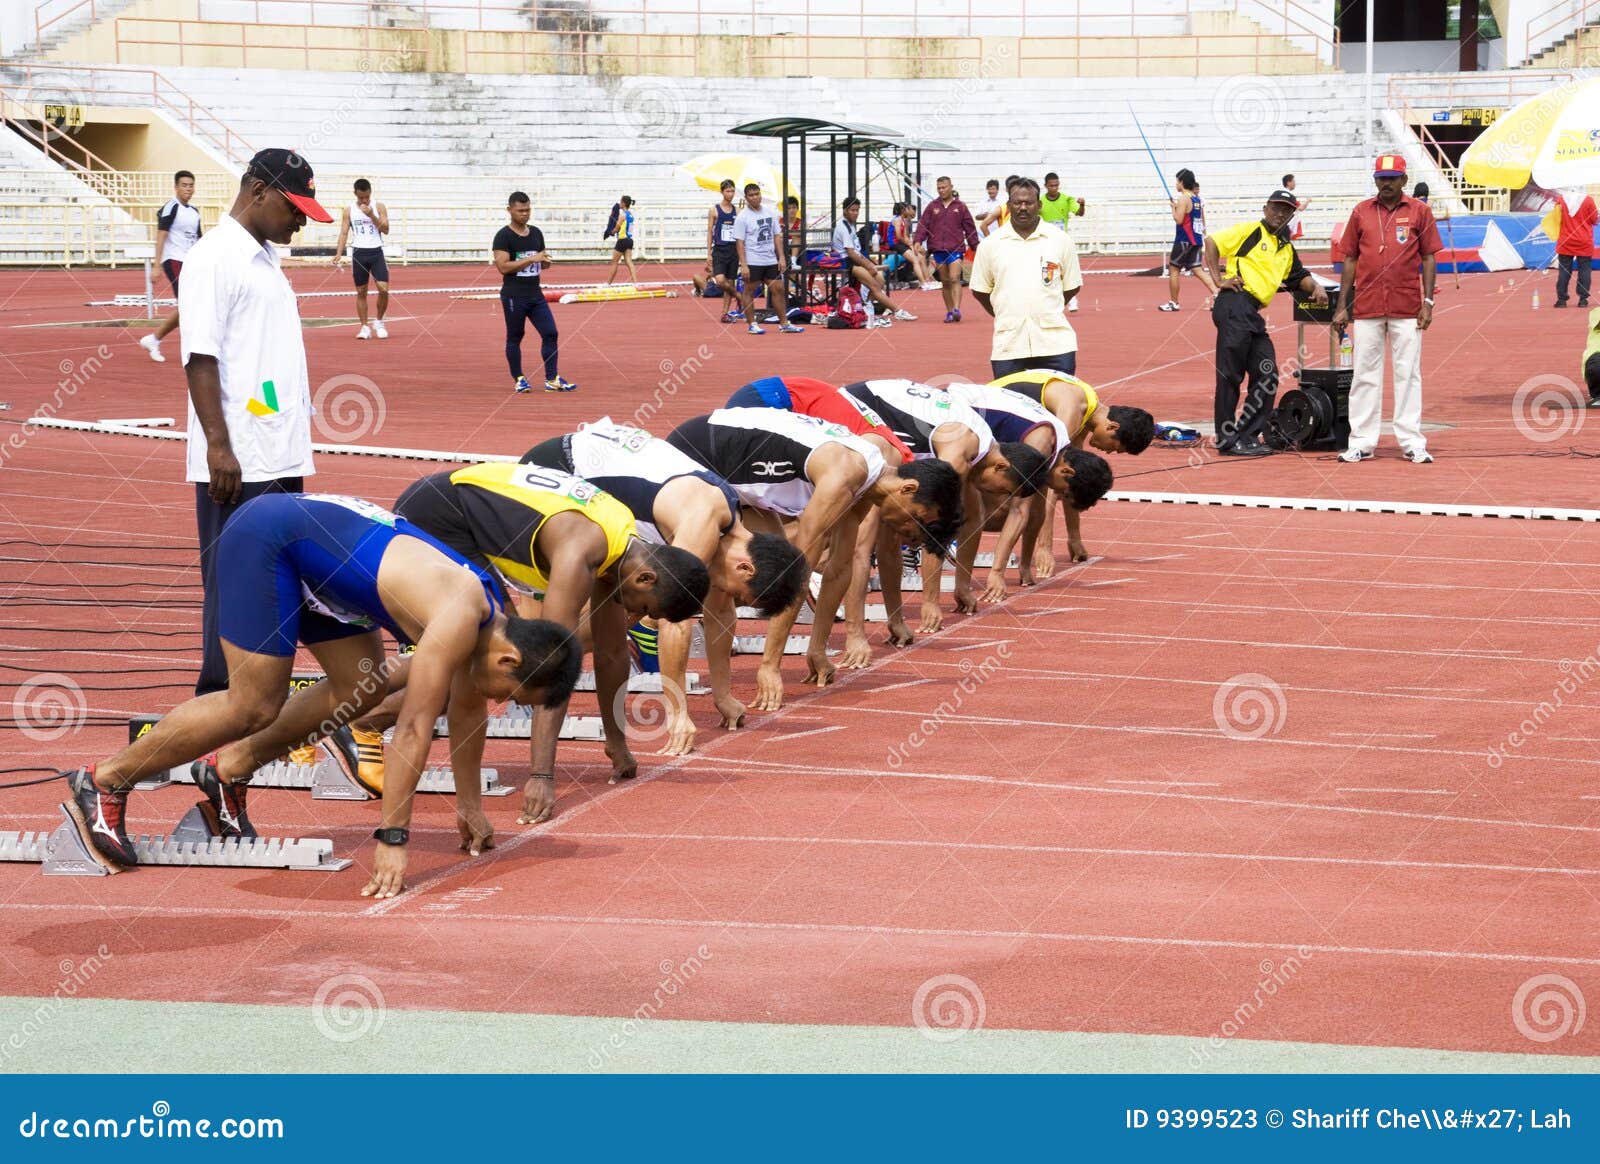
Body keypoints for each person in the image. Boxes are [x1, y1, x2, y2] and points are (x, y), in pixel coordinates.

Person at [59, 492, 582, 897]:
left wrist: (469, 807)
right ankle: (106, 780)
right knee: (254, 702)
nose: (502, 704)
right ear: (509, 661)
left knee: (362, 685)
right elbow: (414, 729)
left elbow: (468, 718)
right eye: (513, 698)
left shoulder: (492, 625)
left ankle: (229, 768)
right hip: (273, 540)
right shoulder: (459, 618)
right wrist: (393, 839)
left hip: (325, 570)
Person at [381, 463, 707, 824]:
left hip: (461, 514)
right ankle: (362, 720)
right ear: (646, 578)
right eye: (643, 608)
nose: (633, 617)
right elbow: (552, 661)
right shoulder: (581, 551)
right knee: (490, 658)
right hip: (437, 514)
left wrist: (617, 740)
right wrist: (540, 776)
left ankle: (365, 715)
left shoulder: (619, 543)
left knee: (491, 657)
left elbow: (612, 652)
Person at [522, 417, 810, 755]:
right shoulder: (703, 523)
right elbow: (674, 622)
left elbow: (720, 611)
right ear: (746, 568)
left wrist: (722, 694)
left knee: (617, 616)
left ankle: (535, 661)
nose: (730, 597)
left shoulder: (729, 526)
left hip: (590, 477)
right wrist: (677, 713)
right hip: (556, 470)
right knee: (571, 626)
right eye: (739, 593)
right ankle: (516, 665)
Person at [666, 407, 961, 714]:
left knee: (762, 569)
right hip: (702, 449)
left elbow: (840, 566)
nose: (910, 530)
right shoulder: (846, 473)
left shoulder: (866, 479)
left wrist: (817, 646)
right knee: (720, 579)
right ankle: (652, 634)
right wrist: (770, 666)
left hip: (745, 480)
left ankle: (718, 688)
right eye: (915, 517)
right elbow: (797, 568)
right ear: (908, 488)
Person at [174, 149, 327, 698]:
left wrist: (272, 411)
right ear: (258, 191)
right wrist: (219, 445)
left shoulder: (263, 257)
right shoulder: (214, 257)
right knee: (234, 583)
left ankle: (260, 696)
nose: (302, 221)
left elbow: (255, 364)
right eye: (295, 208)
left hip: (277, 450)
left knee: (279, 578)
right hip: (239, 460)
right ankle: (218, 700)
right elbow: (201, 357)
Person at [1331, 156, 1442, 465]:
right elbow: (1350, 259)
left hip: (1407, 305)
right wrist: (1343, 306)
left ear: (1404, 180)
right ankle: (1362, 442)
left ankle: (1411, 441)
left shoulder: (1420, 211)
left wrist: (1428, 302)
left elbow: (1430, 257)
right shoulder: (1361, 212)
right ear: (1375, 179)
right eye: (1382, 177)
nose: (1387, 183)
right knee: (1365, 374)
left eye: (1393, 177)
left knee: (1408, 373)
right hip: (1366, 306)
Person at [1204, 187, 1329, 457]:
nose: (1279, 213)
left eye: (1286, 210)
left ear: (1291, 215)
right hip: (1235, 304)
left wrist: (1316, 287)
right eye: (1275, 207)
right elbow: (1212, 241)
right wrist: (1217, 279)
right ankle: (1227, 440)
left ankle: (1247, 435)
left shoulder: (1285, 249)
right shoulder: (1250, 231)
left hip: (1252, 312)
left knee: (1267, 374)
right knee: (1231, 376)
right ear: (1265, 209)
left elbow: (1299, 277)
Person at [986, 368, 1154, 568]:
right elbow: (1047, 480)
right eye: (1116, 448)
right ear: (1113, 427)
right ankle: (954, 533)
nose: (1109, 452)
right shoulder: (1071, 413)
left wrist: (1074, 537)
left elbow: (1070, 480)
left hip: (1003, 425)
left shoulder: (1086, 410)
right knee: (1008, 508)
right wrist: (1044, 547)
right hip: (983, 417)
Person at [970, 176, 1084, 379]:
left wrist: (1046, 308)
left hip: (1055, 344)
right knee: (1010, 409)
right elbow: (980, 290)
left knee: (1061, 408)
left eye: (1029, 203)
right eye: (1017, 203)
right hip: (1009, 346)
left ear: (1039, 205)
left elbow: (1071, 286)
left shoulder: (1060, 240)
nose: (1023, 208)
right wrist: (1006, 312)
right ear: (1008, 206)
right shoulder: (991, 245)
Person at [493, 191, 576, 394]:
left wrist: (544, 262)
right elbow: (503, 267)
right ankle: (519, 378)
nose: (525, 214)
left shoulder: (536, 233)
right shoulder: (503, 236)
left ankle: (552, 378)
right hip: (514, 295)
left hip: (535, 294)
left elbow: (542, 262)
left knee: (550, 332)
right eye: (520, 211)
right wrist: (531, 259)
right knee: (515, 336)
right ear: (509, 210)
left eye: (528, 210)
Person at [139, 170, 201, 363]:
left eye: (190, 185)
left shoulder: (194, 212)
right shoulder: (171, 207)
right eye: (184, 185)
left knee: (193, 304)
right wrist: (156, 265)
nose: (188, 189)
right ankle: (191, 349)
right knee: (189, 304)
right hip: (174, 260)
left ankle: (154, 339)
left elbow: (198, 239)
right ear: (176, 187)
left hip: (190, 262)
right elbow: (161, 235)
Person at [832, 196, 916, 322]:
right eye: (852, 210)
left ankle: (866, 305)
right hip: (847, 262)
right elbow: (851, 253)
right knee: (875, 285)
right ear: (845, 211)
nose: (855, 213)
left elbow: (857, 251)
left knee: (880, 279)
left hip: (857, 259)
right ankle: (897, 311)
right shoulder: (842, 226)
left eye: (857, 210)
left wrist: (869, 263)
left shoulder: (851, 225)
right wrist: (868, 265)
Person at [734, 182, 802, 335]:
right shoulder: (742, 217)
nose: (755, 197)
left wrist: (782, 258)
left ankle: (784, 323)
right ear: (746, 198)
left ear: (760, 195)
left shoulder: (770, 212)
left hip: (770, 259)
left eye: (757, 194)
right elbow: (739, 242)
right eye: (751, 195)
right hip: (753, 260)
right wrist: (743, 264)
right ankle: (752, 323)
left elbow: (777, 236)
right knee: (749, 291)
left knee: (778, 289)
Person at [914, 176, 979, 323]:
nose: (942, 190)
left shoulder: (961, 207)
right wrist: (918, 240)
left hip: (955, 249)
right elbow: (923, 225)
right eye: (939, 188)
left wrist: (975, 245)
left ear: (951, 187)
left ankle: (957, 309)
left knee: (955, 278)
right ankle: (949, 311)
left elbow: (970, 228)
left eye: (944, 187)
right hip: (938, 250)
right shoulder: (932, 206)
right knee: (945, 281)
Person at [332, 178, 390, 339]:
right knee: (361, 291)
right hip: (359, 253)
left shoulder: (379, 206)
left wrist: (372, 215)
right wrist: (339, 252)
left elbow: (386, 229)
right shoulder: (349, 209)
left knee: (383, 288)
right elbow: (344, 232)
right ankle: (364, 327)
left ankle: (378, 321)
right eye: (361, 198)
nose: (364, 200)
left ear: (370, 192)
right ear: (355, 194)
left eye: (366, 197)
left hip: (376, 251)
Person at [1161, 169, 1220, 312]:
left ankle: (1174, 303)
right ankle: (1218, 295)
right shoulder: (1196, 198)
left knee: (1174, 269)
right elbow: (1193, 216)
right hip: (1196, 239)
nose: (1176, 184)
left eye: (1177, 181)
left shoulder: (1183, 198)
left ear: (1182, 182)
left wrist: (1172, 209)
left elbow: (1179, 219)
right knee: (1198, 269)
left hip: (1184, 240)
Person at [1552, 189, 1597, 309]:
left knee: (1564, 270)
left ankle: (1561, 300)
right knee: (1585, 270)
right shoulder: (1588, 200)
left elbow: (1556, 218)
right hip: (1584, 240)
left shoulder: (1561, 200)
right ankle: (1583, 299)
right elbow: (1594, 219)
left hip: (1566, 240)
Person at [706, 179, 742, 323]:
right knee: (720, 280)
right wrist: (708, 253)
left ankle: (725, 313)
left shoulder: (738, 211)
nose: (730, 194)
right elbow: (709, 231)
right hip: (719, 249)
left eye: (732, 191)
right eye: (727, 191)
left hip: (733, 250)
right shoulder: (714, 210)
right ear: (722, 192)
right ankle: (740, 297)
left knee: (730, 281)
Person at [886, 201, 936, 288]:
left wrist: (911, 246)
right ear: (903, 210)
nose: (909, 211)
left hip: (901, 243)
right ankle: (923, 282)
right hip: (894, 244)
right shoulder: (897, 220)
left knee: (921, 257)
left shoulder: (903, 221)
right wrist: (908, 245)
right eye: (908, 209)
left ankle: (928, 280)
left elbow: (905, 236)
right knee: (915, 260)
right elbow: (898, 236)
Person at [604, 194, 639, 285]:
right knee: (629, 261)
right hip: (629, 240)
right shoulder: (630, 215)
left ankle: (608, 283)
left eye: (620, 201)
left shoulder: (622, 215)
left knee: (614, 262)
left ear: (623, 203)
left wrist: (610, 232)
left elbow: (617, 228)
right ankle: (636, 283)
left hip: (622, 240)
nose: (619, 203)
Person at [1282, 173, 1311, 242]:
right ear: (1289, 183)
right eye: (1293, 181)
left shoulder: (1282, 194)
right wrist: (1308, 201)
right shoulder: (1290, 196)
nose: (1295, 183)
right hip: (1287, 224)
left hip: (1282, 223)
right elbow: (1301, 208)